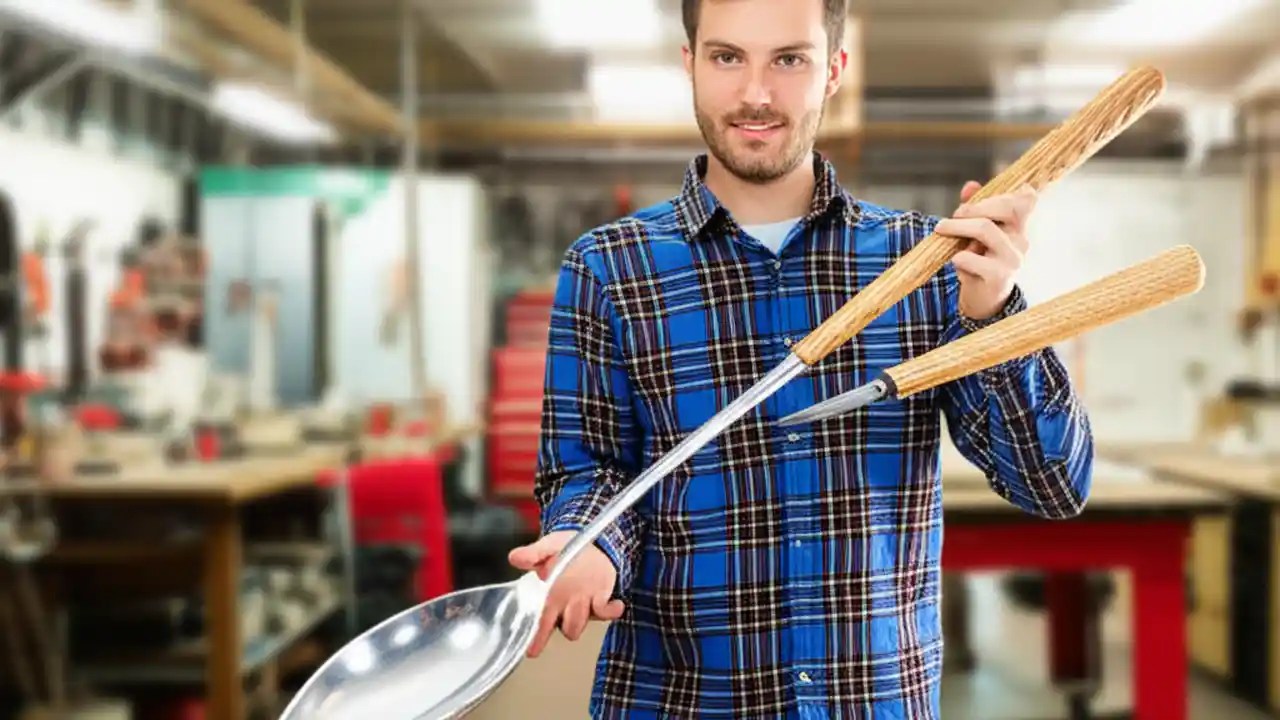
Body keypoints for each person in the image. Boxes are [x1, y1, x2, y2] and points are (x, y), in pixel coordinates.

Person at [507, 0, 1095, 716]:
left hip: (874, 699)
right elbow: (588, 469)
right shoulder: (609, 268)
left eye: (789, 59)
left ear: (834, 70)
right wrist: (589, 541)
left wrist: (995, 313)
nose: (757, 93)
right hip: (681, 698)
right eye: (728, 57)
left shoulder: (927, 262)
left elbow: (1055, 484)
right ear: (690, 64)